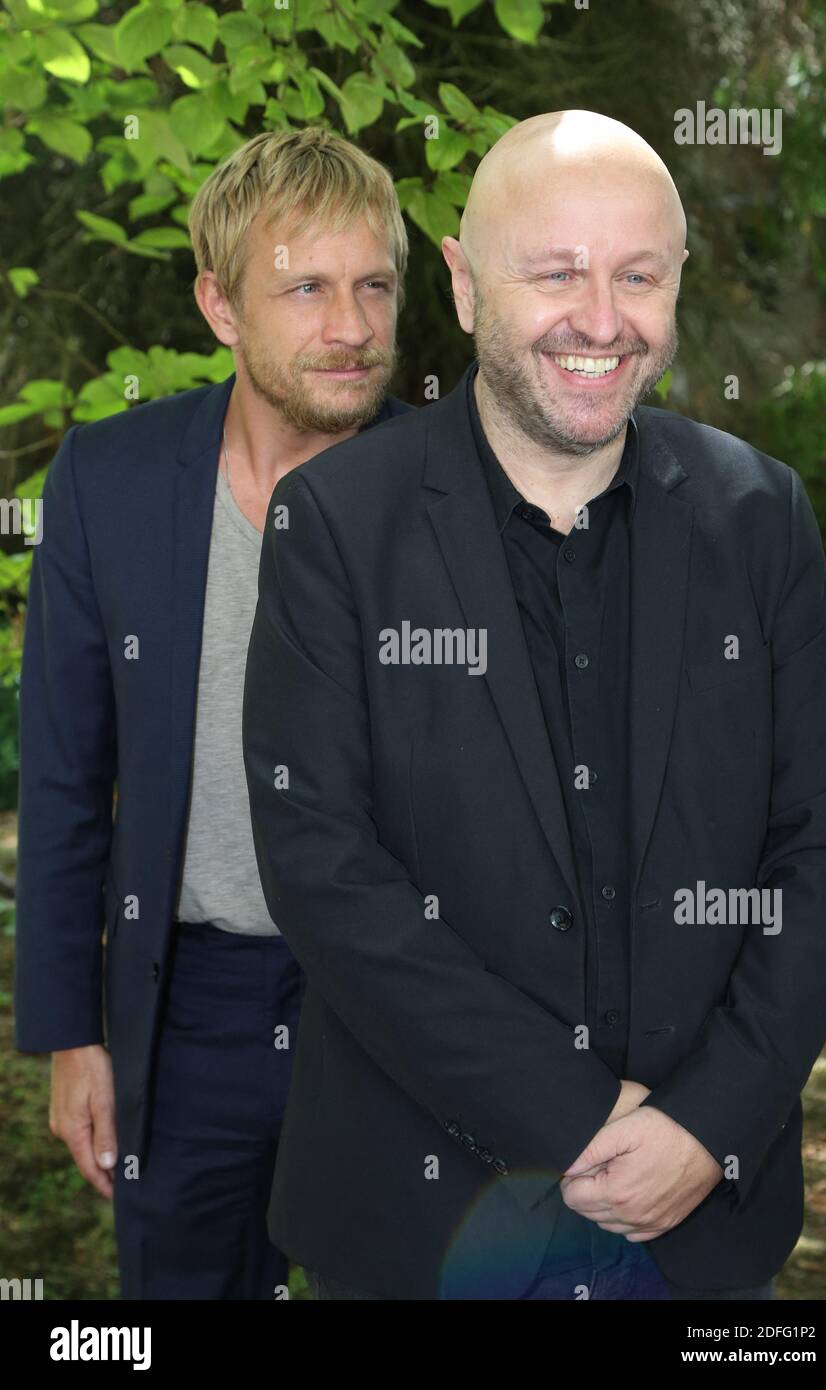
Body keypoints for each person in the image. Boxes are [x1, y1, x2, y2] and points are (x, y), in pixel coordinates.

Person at [242, 110, 826, 1300]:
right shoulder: (335, 525)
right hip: (423, 1220)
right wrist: (578, 1116)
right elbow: (323, 866)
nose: (599, 317)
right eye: (555, 271)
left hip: (700, 1221)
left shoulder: (758, 516)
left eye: (636, 274)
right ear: (466, 286)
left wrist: (709, 1120)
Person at [14, 125, 411, 1299]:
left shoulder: (457, 491)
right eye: (303, 288)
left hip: (405, 1009)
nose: (348, 327)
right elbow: (66, 777)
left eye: (372, 286)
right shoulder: (111, 479)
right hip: (190, 1011)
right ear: (220, 305)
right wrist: (70, 1032)